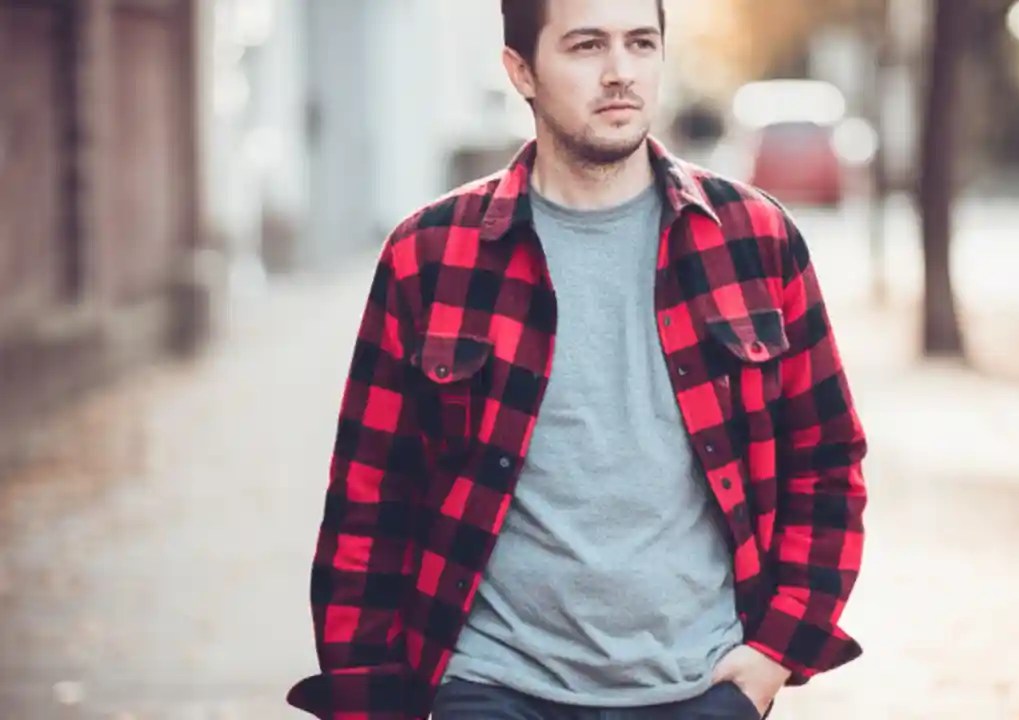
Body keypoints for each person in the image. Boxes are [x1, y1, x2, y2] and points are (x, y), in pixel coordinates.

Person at [286, 1, 869, 718]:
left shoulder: (753, 238)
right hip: (491, 683)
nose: (620, 72)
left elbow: (826, 458)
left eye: (641, 44)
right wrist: (369, 697)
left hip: (701, 683)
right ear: (521, 71)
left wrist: (776, 652)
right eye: (587, 45)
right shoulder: (430, 255)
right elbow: (369, 497)